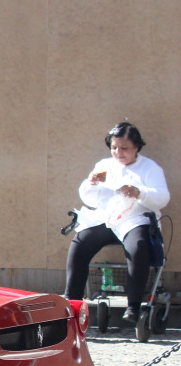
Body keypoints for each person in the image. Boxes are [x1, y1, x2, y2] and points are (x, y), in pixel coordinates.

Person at [64, 121, 170, 323]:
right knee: (79, 244)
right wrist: (91, 183)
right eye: (114, 148)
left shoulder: (150, 168)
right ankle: (71, 303)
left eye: (124, 148)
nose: (118, 153)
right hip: (107, 218)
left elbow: (163, 197)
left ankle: (133, 306)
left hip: (134, 219)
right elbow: (89, 198)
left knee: (138, 247)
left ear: (136, 147)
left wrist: (139, 192)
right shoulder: (104, 166)